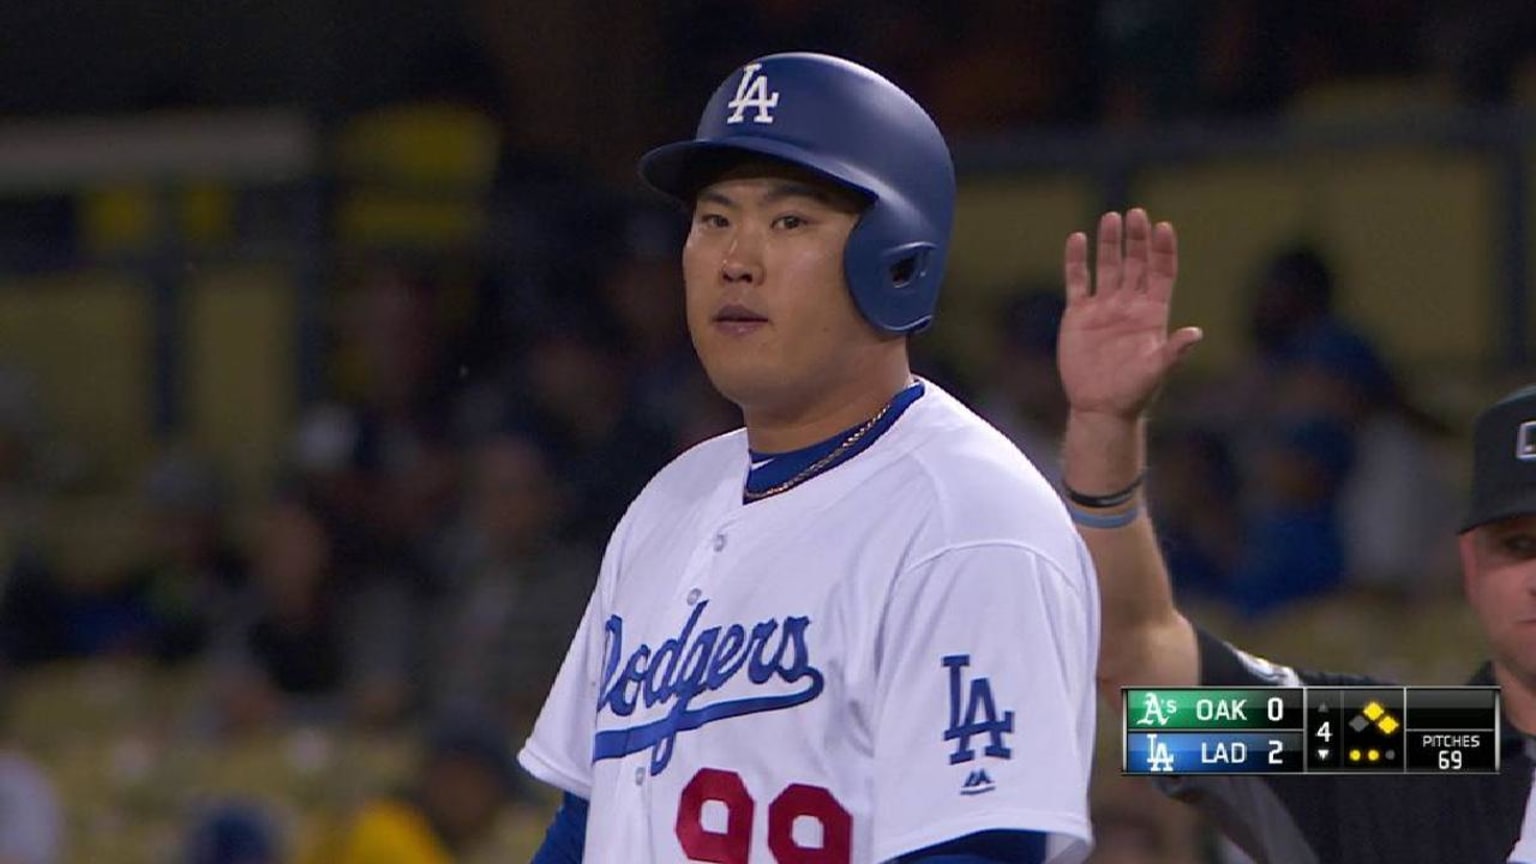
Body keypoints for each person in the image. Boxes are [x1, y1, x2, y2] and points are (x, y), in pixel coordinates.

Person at [520, 52, 1099, 863]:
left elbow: (976, 849)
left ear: (898, 258)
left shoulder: (968, 519)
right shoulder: (668, 502)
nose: (736, 259)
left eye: (789, 221)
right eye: (714, 220)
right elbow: (587, 820)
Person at [1055, 207, 1534, 862]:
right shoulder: (1401, 743)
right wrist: (1105, 427)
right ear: (1472, 566)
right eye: (1518, 546)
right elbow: (1141, 668)